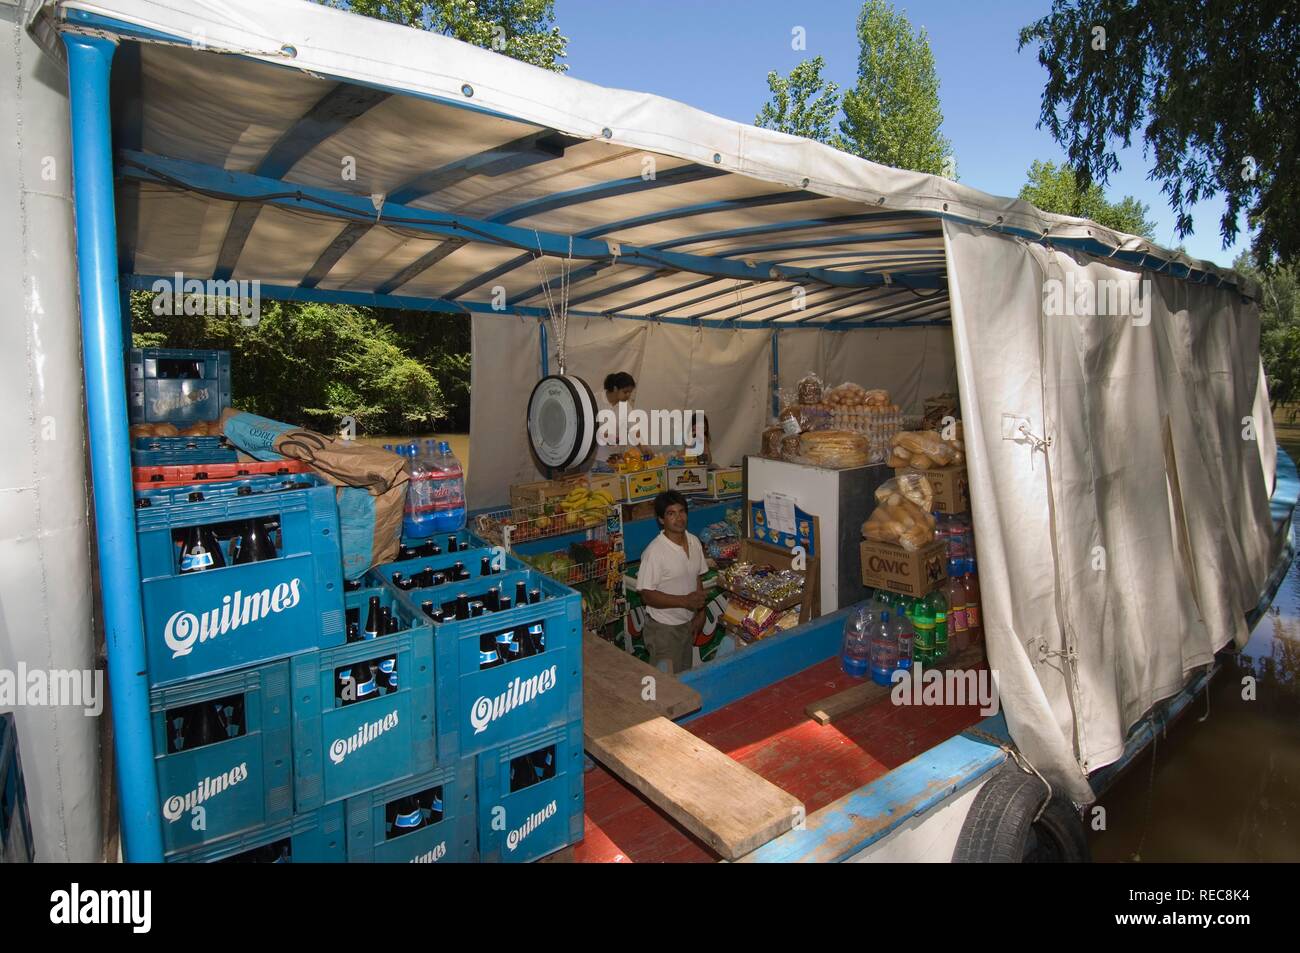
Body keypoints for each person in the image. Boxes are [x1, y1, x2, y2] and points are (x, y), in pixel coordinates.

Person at [636, 491, 708, 673]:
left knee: (684, 679)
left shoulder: (693, 542)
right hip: (663, 630)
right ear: (661, 519)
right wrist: (685, 601)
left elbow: (696, 576)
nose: (679, 518)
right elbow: (646, 595)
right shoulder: (655, 552)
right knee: (665, 686)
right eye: (671, 513)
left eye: (682, 511)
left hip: (687, 624)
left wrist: (700, 611)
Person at [593, 371, 650, 468]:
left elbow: (634, 430)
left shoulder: (626, 406)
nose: (628, 395)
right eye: (625, 392)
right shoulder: (595, 400)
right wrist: (601, 435)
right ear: (615, 389)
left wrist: (643, 447)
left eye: (630, 392)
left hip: (615, 458)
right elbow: (586, 427)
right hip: (595, 458)